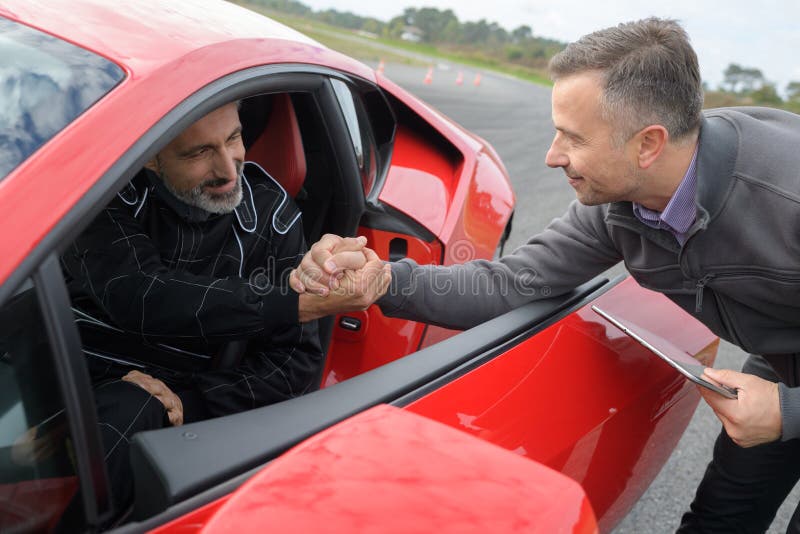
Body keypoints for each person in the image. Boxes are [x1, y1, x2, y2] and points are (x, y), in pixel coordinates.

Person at [291, 18, 800, 533]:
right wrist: (384, 281)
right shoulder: (619, 205)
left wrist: (788, 412)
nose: (552, 156)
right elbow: (509, 283)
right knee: (720, 519)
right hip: (782, 361)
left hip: (785, 391)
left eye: (572, 138)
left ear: (648, 144)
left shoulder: (788, 197)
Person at [62, 101, 324, 519]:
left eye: (234, 138)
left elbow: (295, 362)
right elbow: (139, 292)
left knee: (128, 410)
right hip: (61, 373)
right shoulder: (104, 192)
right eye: (199, 152)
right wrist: (289, 303)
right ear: (149, 157)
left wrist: (186, 403)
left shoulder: (274, 219)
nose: (227, 168)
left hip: (161, 409)